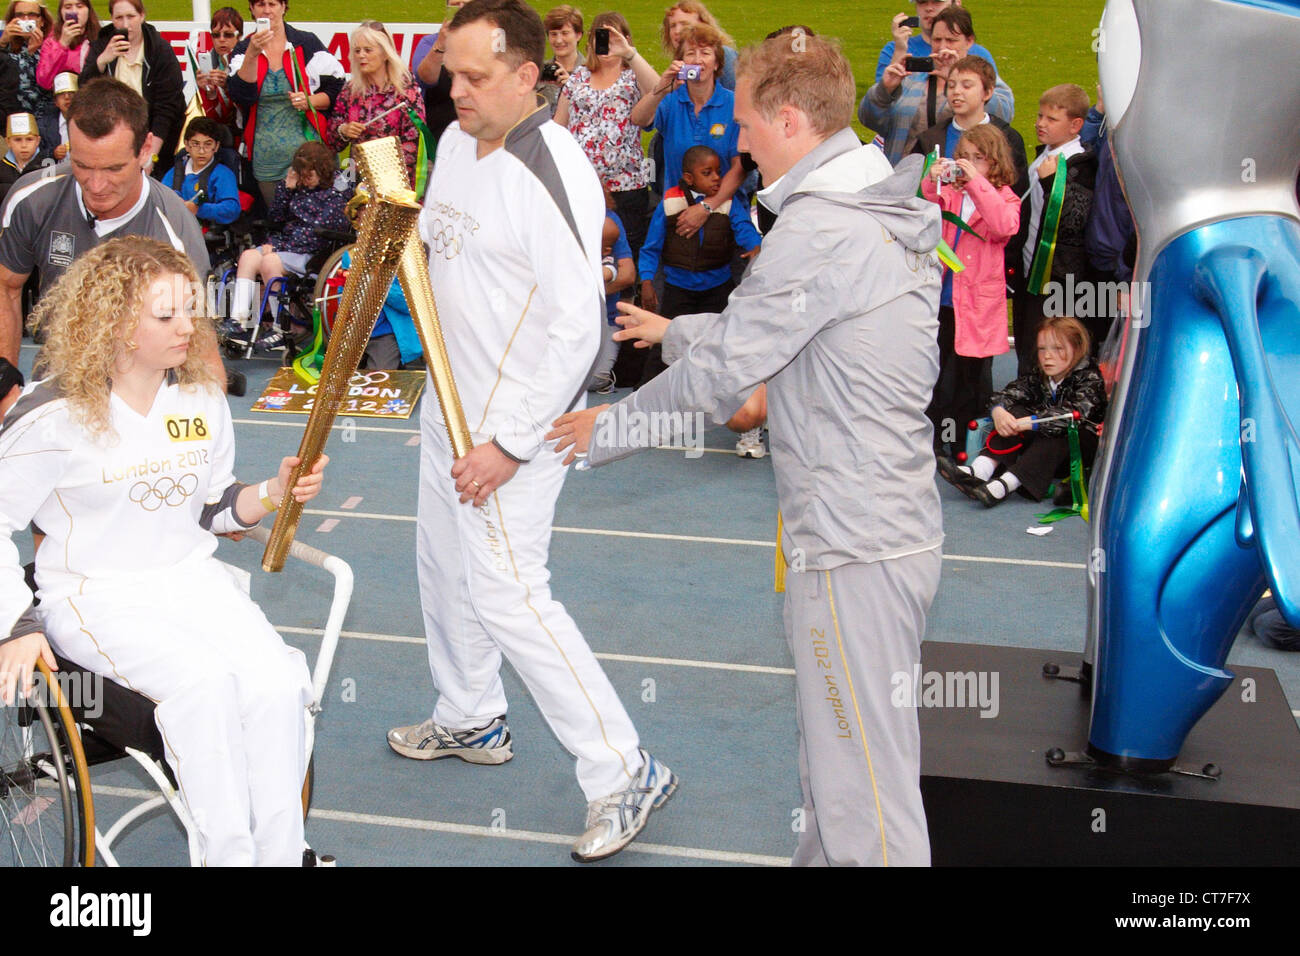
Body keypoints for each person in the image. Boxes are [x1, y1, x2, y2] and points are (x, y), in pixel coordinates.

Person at [549, 34, 945, 867]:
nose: (736, 142)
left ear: (791, 120)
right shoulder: (867, 196)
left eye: (746, 125)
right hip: (876, 528)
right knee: (840, 768)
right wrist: (679, 328)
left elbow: (734, 368)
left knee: (862, 790)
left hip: (851, 540)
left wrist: (605, 432)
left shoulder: (822, 231)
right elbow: (774, 330)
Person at [385, 0, 676, 864]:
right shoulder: (452, 150)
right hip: (447, 411)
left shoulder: (554, 166)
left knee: (511, 594)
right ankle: (470, 714)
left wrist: (508, 443)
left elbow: (575, 327)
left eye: (477, 76)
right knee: (441, 565)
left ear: (526, 76)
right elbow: (442, 264)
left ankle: (624, 768)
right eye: (451, 71)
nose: (458, 89)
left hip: (516, 432)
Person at [0, 236, 329, 866]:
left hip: (189, 583)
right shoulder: (54, 413)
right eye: (166, 315)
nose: (188, 327)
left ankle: (285, 856)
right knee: (202, 688)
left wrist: (274, 490)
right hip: (96, 595)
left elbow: (211, 505)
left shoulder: (202, 396)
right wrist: (15, 622)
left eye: (190, 309)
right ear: (118, 325)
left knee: (278, 683)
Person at [0, 79, 215, 379]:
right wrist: (4, 385)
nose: (96, 186)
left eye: (113, 169)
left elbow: (201, 348)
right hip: (59, 381)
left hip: (143, 392)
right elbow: (6, 289)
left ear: (145, 151)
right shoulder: (31, 200)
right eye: (83, 165)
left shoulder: (176, 232)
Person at [920, 124, 1020, 458]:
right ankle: (931, 443)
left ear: (995, 162)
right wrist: (931, 178)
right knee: (934, 378)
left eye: (979, 158)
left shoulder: (1005, 197)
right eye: (963, 156)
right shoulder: (951, 192)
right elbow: (921, 207)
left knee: (970, 382)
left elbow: (1004, 225)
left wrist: (976, 184)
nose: (968, 163)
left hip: (977, 306)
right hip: (943, 300)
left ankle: (965, 447)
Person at [939, 315, 1106, 507]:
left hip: (1077, 453)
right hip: (1042, 449)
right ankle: (980, 470)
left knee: (1064, 429)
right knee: (1014, 411)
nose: (1048, 356)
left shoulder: (1090, 377)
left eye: (1058, 349)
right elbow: (1009, 393)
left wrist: (1031, 422)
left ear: (1076, 349)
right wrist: (999, 411)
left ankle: (1007, 483)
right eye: (1042, 349)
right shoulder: (1039, 375)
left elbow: (1075, 412)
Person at [636, 143, 759, 369]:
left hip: (717, 287)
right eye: (707, 173)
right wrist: (646, 281)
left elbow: (744, 227)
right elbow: (651, 247)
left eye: (719, 173)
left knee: (720, 343)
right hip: (677, 289)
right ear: (689, 178)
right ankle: (649, 391)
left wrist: (754, 245)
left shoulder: (728, 203)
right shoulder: (670, 203)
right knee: (665, 344)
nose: (716, 179)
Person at [554, 11, 658, 263]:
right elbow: (559, 124)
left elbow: (659, 89)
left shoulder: (632, 76)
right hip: (582, 184)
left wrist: (629, 53)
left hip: (625, 186)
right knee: (582, 254)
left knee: (626, 256)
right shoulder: (578, 77)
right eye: (600, 37)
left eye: (614, 38)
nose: (606, 44)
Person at [1009, 83, 1096, 377]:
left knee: (1050, 350)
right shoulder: (1044, 156)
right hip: (1029, 270)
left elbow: (1074, 219)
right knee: (1027, 342)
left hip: (1057, 278)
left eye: (1051, 119)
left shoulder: (1081, 165)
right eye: (1039, 116)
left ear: (1076, 125)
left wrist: (1050, 184)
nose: (1040, 124)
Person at [228, 140, 349, 351]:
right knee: (248, 256)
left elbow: (318, 230)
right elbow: (276, 218)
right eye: (301, 175)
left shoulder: (339, 188)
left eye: (309, 175)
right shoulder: (298, 184)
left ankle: (281, 328)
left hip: (316, 251)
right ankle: (238, 320)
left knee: (269, 262)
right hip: (287, 245)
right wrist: (286, 188)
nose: (305, 180)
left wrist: (277, 247)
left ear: (323, 170)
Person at [630, 22, 743, 239]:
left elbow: (740, 168)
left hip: (723, 215)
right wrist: (663, 86)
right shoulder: (671, 101)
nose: (698, 59)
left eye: (705, 53)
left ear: (718, 63)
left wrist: (706, 207)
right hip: (676, 214)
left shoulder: (734, 105)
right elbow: (639, 118)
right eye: (691, 53)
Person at [860, 5, 1012, 166]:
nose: (943, 47)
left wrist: (956, 80)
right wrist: (885, 89)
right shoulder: (912, 80)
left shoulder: (980, 76)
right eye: (937, 40)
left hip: (962, 176)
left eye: (951, 40)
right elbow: (869, 119)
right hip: (905, 177)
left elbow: (1004, 115)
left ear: (969, 42)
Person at [227, 0, 345, 206]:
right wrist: (252, 55)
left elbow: (336, 89)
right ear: (252, 9)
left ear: (283, 7)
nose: (266, 10)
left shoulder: (306, 43)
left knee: (319, 218)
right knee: (278, 221)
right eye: (260, 4)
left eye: (272, 4)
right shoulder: (244, 48)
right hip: (267, 157)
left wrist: (310, 101)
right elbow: (240, 95)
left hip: (312, 154)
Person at [80, 0, 185, 178]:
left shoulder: (160, 50)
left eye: (131, 16)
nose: (126, 24)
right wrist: (103, 60)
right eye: (119, 18)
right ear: (111, 19)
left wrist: (151, 155)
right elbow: (84, 91)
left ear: (142, 16)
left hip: (155, 137)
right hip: (113, 136)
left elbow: (167, 108)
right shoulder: (101, 45)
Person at [326, 20, 425, 191]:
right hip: (357, 183)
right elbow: (333, 142)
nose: (361, 55)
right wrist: (344, 130)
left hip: (396, 185)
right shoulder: (350, 90)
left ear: (385, 53)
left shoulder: (405, 89)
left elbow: (414, 143)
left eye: (368, 50)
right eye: (357, 51)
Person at [914, 55, 1027, 200]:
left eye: (966, 86)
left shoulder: (1008, 138)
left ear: (987, 93)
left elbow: (1019, 197)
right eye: (952, 85)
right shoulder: (929, 139)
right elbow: (916, 192)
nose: (956, 91)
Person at [872, 0, 997, 84]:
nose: (929, 8)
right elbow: (876, 112)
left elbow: (998, 108)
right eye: (922, 2)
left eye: (937, 1)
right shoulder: (893, 49)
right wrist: (900, 51)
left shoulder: (978, 54)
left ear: (957, 3)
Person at [162, 116, 241, 227]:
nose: (201, 151)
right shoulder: (175, 173)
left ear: (216, 146)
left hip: (207, 230)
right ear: (187, 145)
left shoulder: (223, 174)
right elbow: (160, 199)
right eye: (196, 144)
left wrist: (198, 209)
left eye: (208, 144)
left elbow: (232, 209)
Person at [412, 0, 464, 143]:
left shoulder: (492, 42)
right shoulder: (429, 43)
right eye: (455, 4)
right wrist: (441, 44)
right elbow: (424, 78)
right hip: (438, 144)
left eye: (466, 4)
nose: (460, 9)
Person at [660, 0, 735, 91]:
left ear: (704, 26)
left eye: (685, 24)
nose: (677, 31)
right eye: (672, 26)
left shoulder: (725, 55)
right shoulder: (679, 63)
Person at [195, 6, 243, 133]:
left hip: (245, 133)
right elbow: (213, 119)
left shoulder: (246, 62)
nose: (221, 40)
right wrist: (209, 93)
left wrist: (228, 87)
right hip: (221, 134)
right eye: (216, 35)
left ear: (239, 37)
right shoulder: (208, 64)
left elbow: (247, 110)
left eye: (228, 35)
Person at [3, 0, 54, 119]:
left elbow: (44, 89)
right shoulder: (6, 47)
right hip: (9, 118)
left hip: (42, 119)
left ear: (41, 21)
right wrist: (2, 44)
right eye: (20, 15)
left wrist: (32, 53)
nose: (25, 20)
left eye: (31, 15)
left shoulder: (51, 47)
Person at [34, 0, 96, 90]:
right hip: (63, 99)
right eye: (68, 7)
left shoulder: (99, 37)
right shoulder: (51, 41)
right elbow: (44, 81)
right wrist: (62, 44)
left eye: (79, 6)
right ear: (61, 12)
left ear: (88, 10)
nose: (74, 11)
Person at [0, 111, 51, 204]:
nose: (24, 145)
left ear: (37, 141)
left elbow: (52, 199)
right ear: (8, 142)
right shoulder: (1, 167)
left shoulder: (48, 164)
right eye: (18, 140)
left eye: (29, 139)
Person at [538, 3, 580, 113]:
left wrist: (571, 88)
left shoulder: (592, 72)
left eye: (565, 33)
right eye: (553, 34)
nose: (558, 40)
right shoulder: (539, 70)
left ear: (578, 35)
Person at [35, 67, 72, 155]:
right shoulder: (43, 126)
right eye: (61, 94)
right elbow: (36, 156)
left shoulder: (91, 121)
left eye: (71, 93)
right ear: (55, 102)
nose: (67, 97)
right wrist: (52, 154)